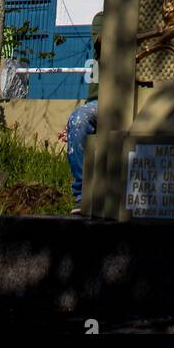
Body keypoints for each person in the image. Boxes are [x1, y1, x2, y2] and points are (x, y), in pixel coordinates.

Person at [66, 11, 102, 213]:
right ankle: (83, 194)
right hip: (102, 102)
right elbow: (104, 41)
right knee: (79, 119)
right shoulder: (102, 19)